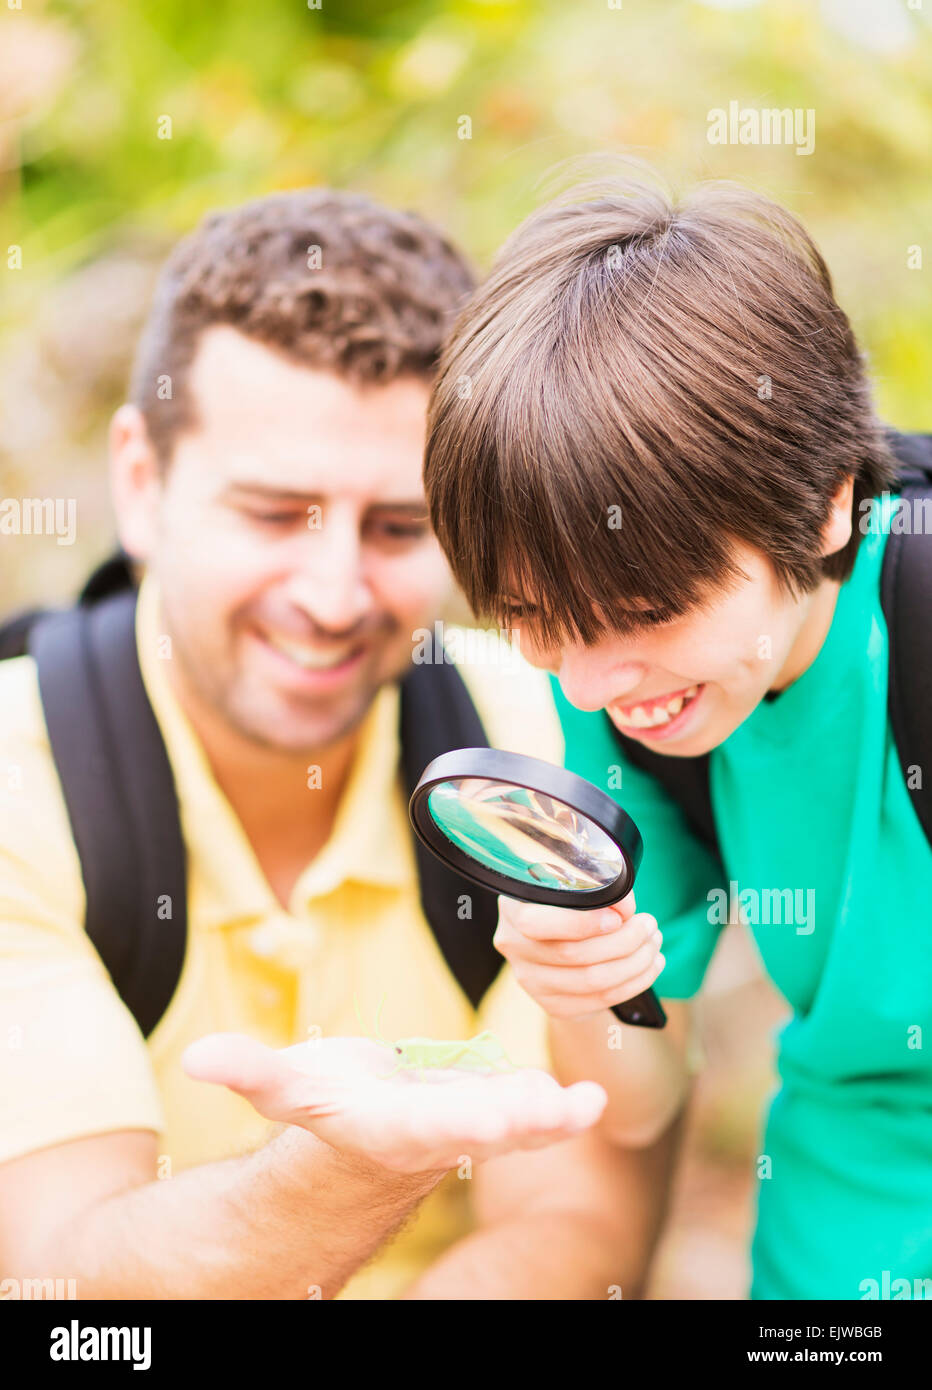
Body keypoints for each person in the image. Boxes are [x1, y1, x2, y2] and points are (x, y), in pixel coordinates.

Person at [0, 189, 683, 1301]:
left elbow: (581, 1217)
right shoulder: (17, 787)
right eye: (274, 513)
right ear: (141, 480)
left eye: (398, 527)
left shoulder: (544, 727)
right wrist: (361, 1164)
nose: (330, 596)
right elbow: (57, 1287)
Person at [423, 167, 932, 1301]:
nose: (597, 681)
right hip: (840, 1204)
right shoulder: (612, 696)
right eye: (538, 620)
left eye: (649, 611)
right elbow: (638, 1092)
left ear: (825, 503)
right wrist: (582, 990)